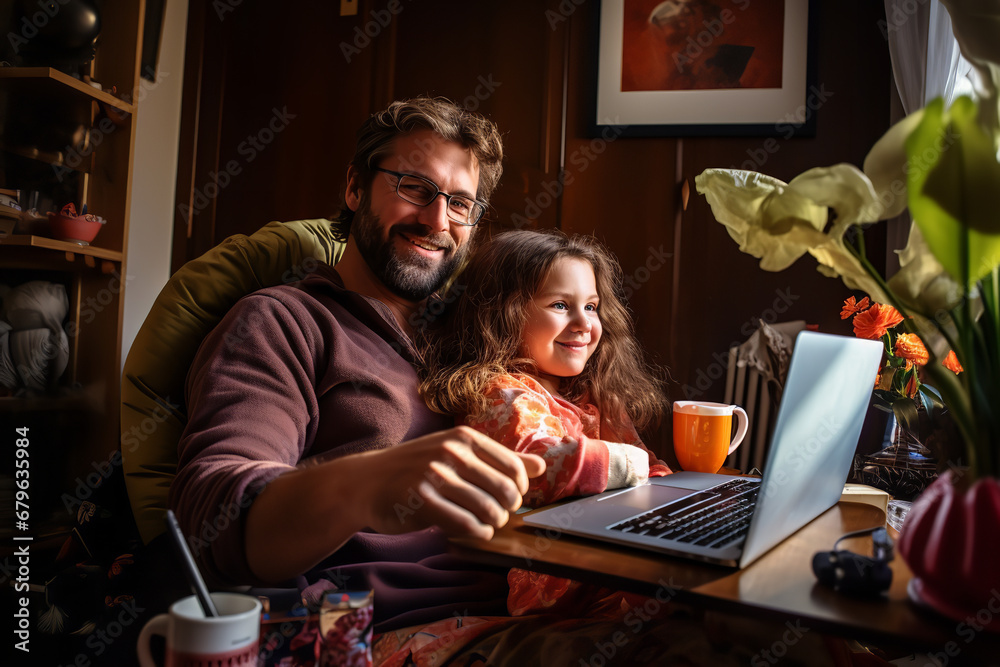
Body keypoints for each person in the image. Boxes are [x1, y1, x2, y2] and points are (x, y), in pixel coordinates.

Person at [170, 96, 547, 631]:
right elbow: (214, 515)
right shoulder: (282, 323)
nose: (438, 220)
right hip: (389, 632)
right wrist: (363, 487)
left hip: (536, 601)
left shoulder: (478, 333)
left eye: (461, 204)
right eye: (415, 187)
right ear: (354, 188)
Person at [419, 229, 673, 509]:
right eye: (561, 305)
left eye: (591, 306)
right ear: (502, 316)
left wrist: (666, 494)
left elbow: (644, 465)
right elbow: (537, 468)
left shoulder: (595, 393)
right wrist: (630, 466)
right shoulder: (500, 392)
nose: (585, 324)